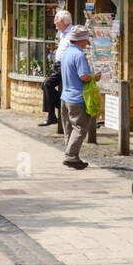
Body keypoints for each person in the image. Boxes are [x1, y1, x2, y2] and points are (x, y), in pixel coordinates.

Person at [58, 25, 98, 170]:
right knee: (80, 128)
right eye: (86, 39)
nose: (87, 42)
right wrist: (95, 76)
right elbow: (84, 76)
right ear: (81, 40)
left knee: (69, 128)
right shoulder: (79, 55)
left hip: (65, 96)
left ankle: (72, 156)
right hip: (77, 97)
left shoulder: (66, 53)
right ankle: (70, 156)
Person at [39, 8, 72, 127]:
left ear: (63, 22)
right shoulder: (62, 33)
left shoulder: (71, 33)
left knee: (47, 85)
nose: (54, 23)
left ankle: (53, 115)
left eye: (56, 20)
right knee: (44, 85)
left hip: (64, 65)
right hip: (58, 64)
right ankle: (60, 110)